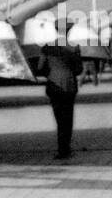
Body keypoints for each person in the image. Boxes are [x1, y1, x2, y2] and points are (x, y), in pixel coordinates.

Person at [35, 20, 83, 159]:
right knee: (68, 118)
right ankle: (65, 149)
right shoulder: (74, 47)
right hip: (69, 85)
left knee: (59, 118)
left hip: (54, 85)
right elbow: (78, 69)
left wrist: (51, 72)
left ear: (56, 30)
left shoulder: (47, 47)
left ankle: (62, 149)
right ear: (69, 31)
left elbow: (40, 68)